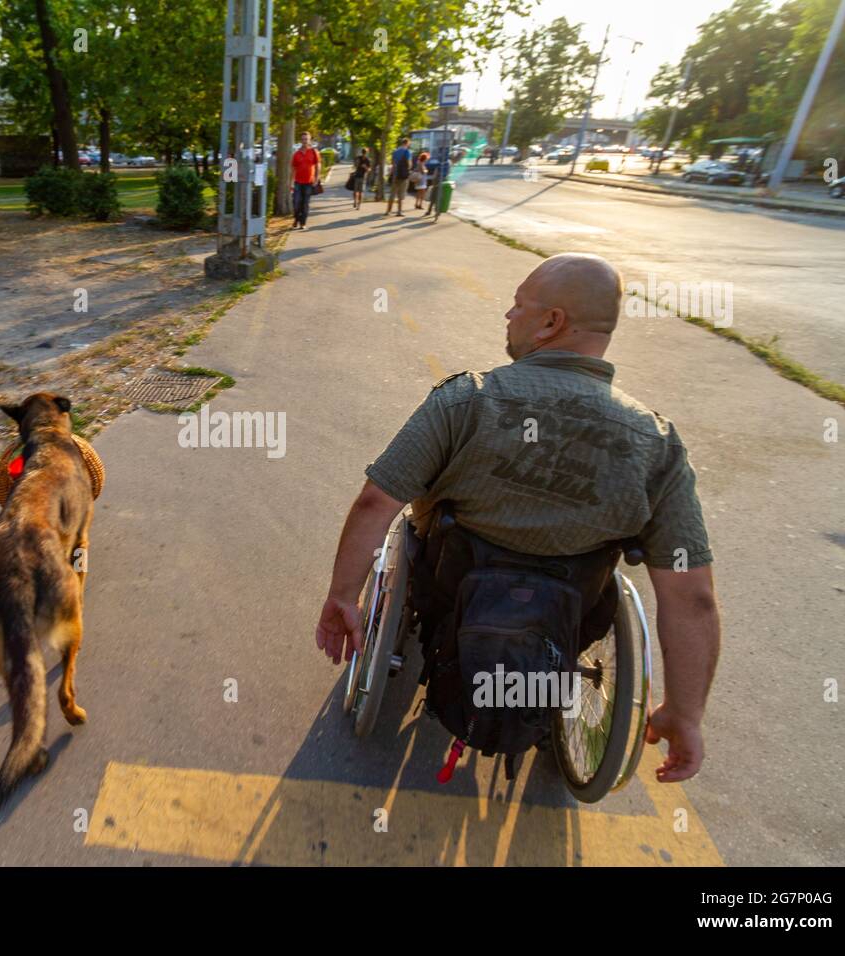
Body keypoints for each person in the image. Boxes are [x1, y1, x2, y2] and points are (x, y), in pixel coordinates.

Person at [314, 253, 720, 785]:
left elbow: (376, 502)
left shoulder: (468, 400)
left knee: (423, 530)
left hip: (448, 589)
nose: (508, 314)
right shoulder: (656, 444)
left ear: (552, 322)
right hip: (570, 608)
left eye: (519, 304)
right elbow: (692, 597)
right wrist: (685, 714)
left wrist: (344, 596)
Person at [291, 132, 322, 230]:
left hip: (309, 182)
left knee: (305, 203)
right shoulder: (296, 153)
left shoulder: (314, 152)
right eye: (303, 139)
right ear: (301, 141)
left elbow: (318, 166)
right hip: (298, 182)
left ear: (309, 140)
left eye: (306, 139)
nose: (304, 141)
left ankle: (302, 223)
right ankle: (296, 218)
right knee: (296, 202)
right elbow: (293, 169)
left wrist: (316, 178)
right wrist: (291, 182)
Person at [384, 137, 412, 217]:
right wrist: (408, 168)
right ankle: (399, 212)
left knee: (392, 194)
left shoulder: (395, 151)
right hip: (403, 176)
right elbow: (409, 164)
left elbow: (392, 164)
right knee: (401, 195)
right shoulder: (407, 152)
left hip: (395, 175)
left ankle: (388, 211)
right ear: (407, 143)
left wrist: (391, 174)